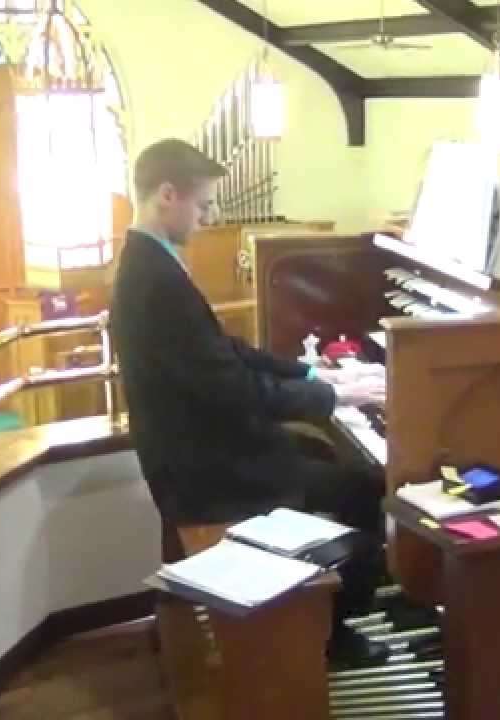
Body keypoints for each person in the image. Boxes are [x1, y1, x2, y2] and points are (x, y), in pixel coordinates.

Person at [111, 138, 390, 669]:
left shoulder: (149, 263)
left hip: (197, 450)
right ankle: (327, 638)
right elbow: (234, 389)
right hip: (205, 474)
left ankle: (328, 612)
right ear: (167, 195)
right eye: (203, 204)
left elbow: (226, 351)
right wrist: (333, 396)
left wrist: (312, 373)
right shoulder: (154, 280)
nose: (208, 217)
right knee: (363, 487)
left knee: (328, 460)